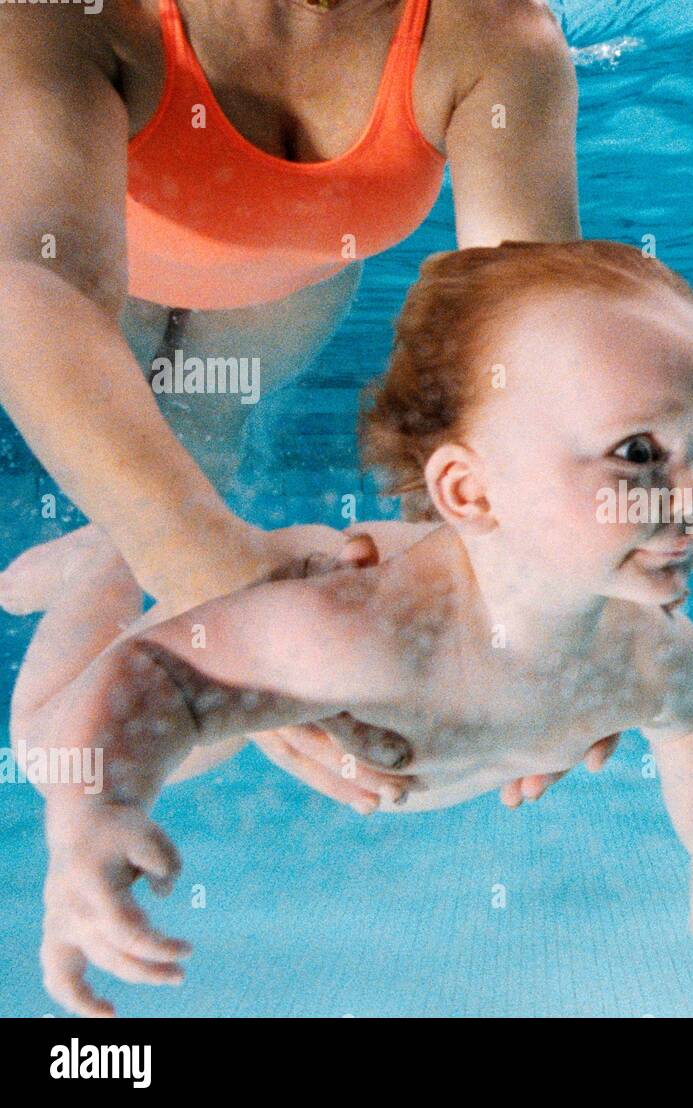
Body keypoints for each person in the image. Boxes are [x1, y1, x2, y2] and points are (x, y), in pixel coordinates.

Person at [17, 240, 693, 1017]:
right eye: (638, 453)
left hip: (359, 593)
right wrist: (96, 813)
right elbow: (162, 675)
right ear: (471, 491)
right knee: (53, 754)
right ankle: (103, 563)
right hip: (297, 597)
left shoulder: (649, 653)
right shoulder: (362, 637)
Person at [0, 0, 590, 809]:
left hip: (285, 299)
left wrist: (559, 589)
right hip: (107, 285)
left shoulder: (495, 35)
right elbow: (36, 286)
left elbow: (523, 334)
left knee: (201, 458)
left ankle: (100, 555)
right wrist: (209, 573)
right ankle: (113, 548)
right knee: (144, 484)